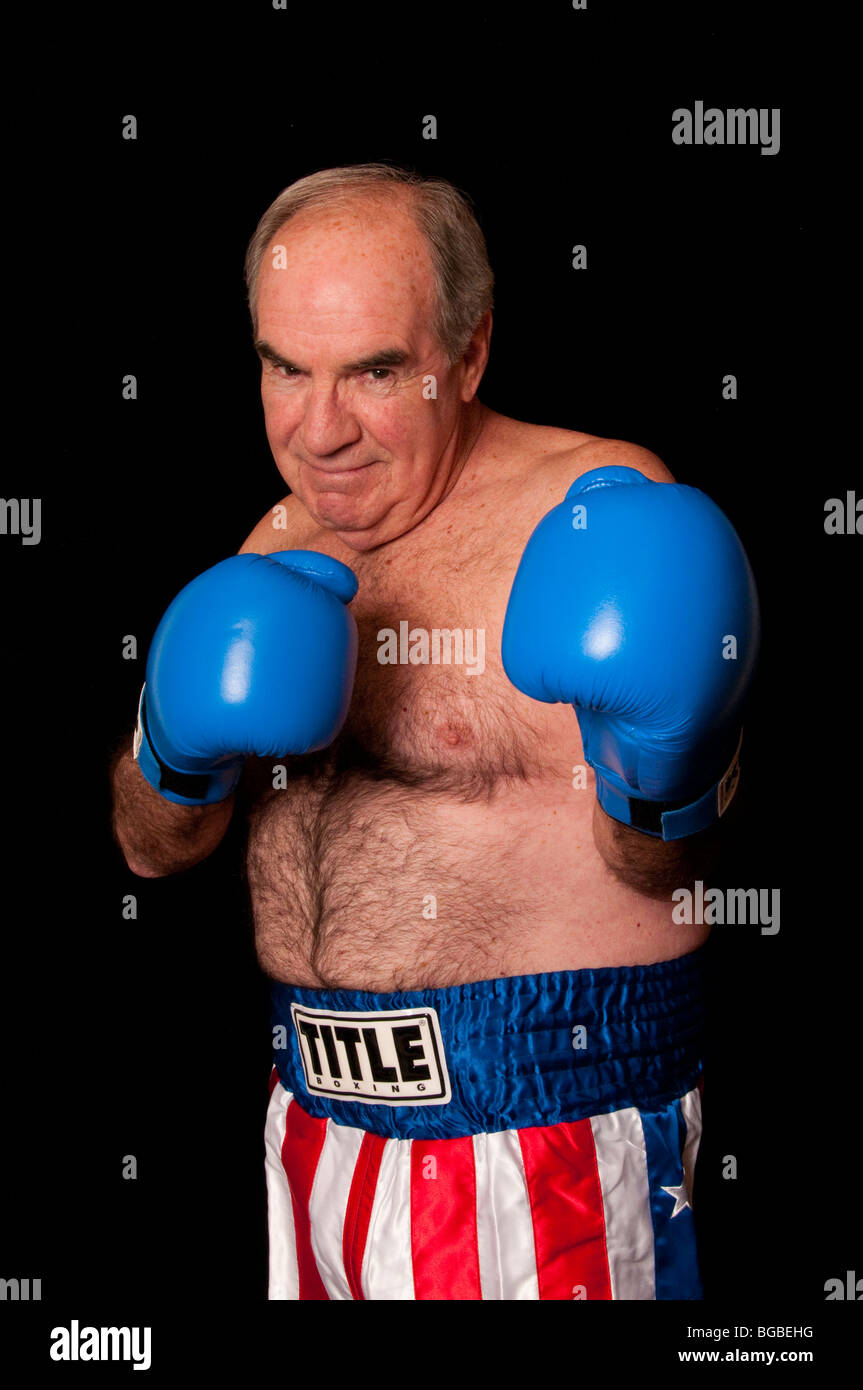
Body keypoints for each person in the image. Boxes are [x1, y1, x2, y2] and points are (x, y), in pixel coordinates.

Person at [111, 163, 759, 1300]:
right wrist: (167, 747)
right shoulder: (270, 538)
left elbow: (669, 870)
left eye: (372, 371)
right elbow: (149, 850)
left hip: (539, 1143)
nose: (319, 431)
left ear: (467, 354)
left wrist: (667, 775)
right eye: (283, 369)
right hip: (310, 1129)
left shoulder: (592, 509)